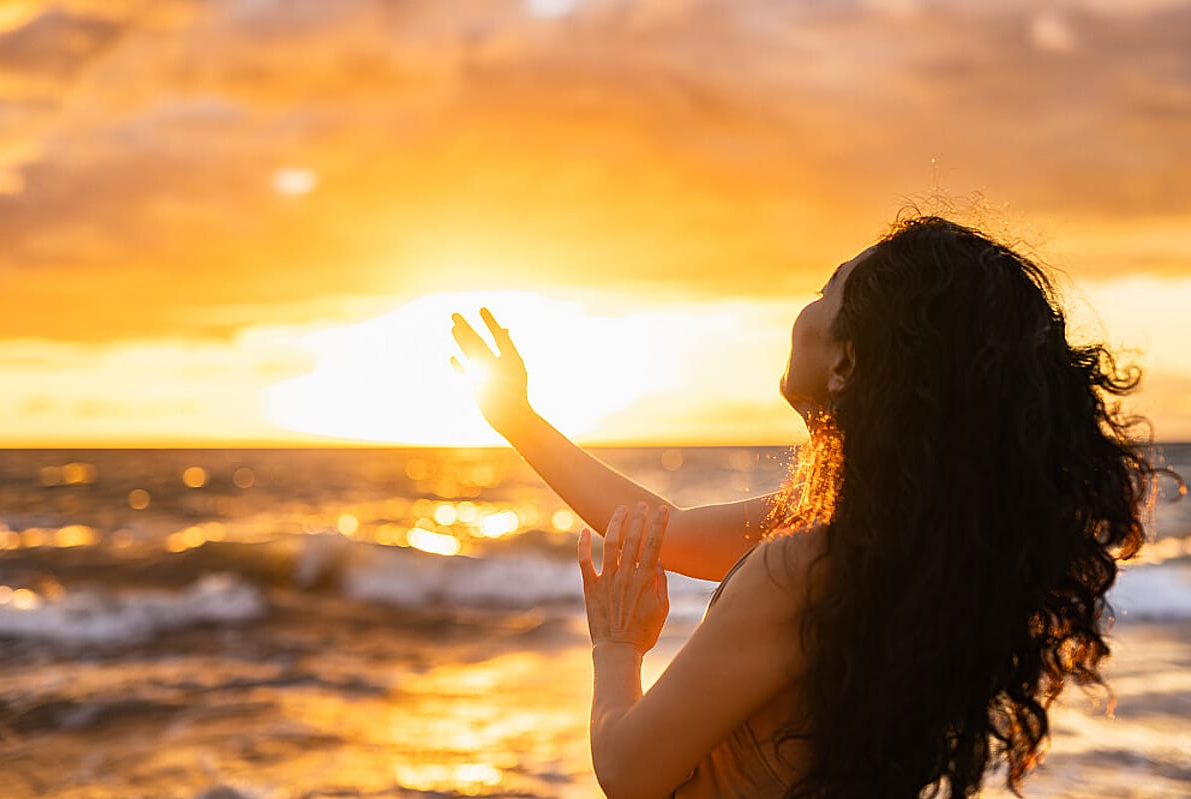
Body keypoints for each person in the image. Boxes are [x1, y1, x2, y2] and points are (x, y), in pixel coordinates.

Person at [450, 215, 1159, 799]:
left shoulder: (801, 568)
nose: (807, 305)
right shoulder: (884, 542)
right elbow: (669, 532)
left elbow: (630, 772)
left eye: (827, 289)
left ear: (849, 364)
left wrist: (616, 644)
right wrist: (520, 422)